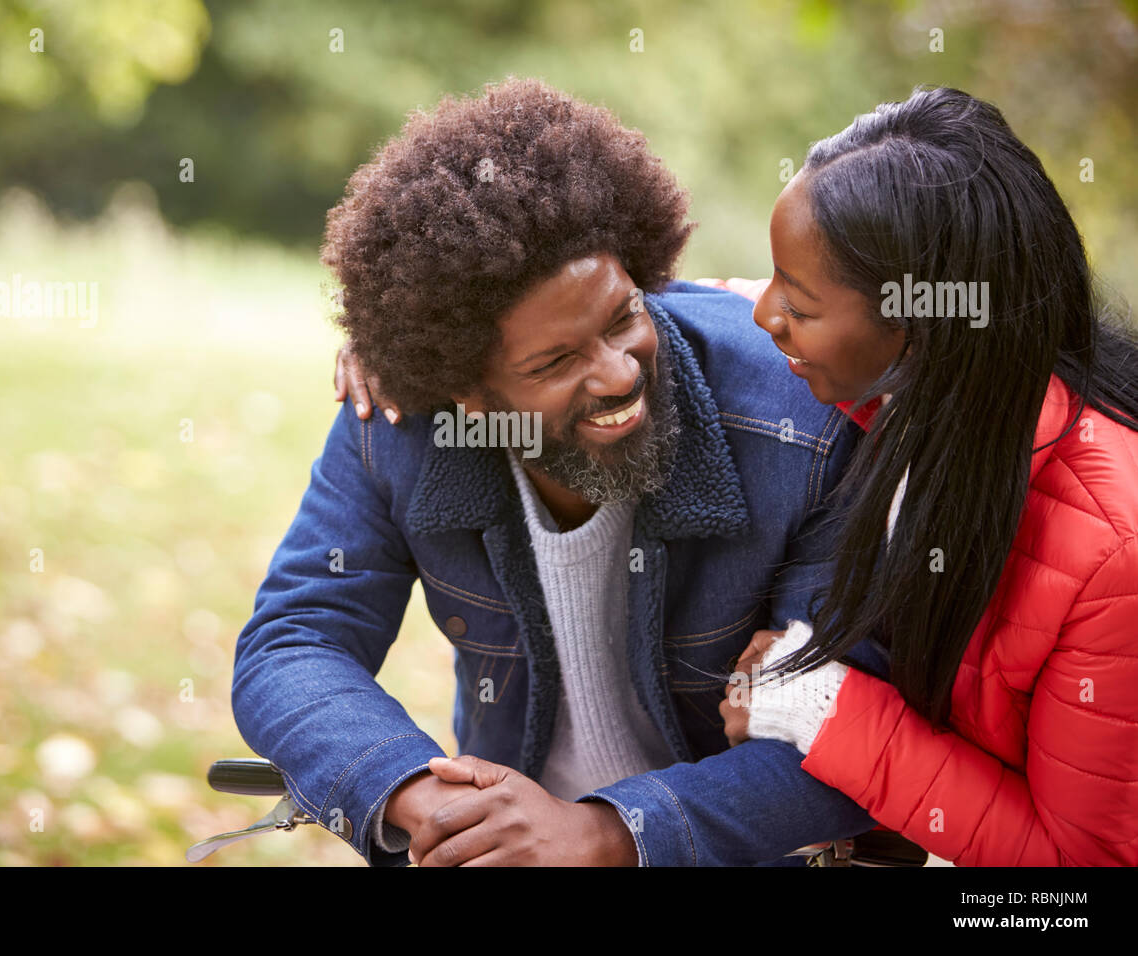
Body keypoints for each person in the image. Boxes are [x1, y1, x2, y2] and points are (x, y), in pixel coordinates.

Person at [232, 76, 890, 867]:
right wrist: (421, 798)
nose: (618, 374)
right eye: (554, 361)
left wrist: (607, 834)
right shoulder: (400, 426)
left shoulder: (801, 419)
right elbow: (295, 639)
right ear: (466, 393)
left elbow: (856, 730)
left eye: (623, 318)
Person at [711, 86, 1138, 866]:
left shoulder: (1111, 557)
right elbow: (707, 307)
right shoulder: (943, 389)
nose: (764, 314)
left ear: (917, 326)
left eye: (798, 302)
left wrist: (816, 704)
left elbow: (1076, 880)